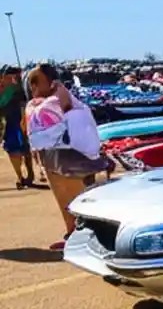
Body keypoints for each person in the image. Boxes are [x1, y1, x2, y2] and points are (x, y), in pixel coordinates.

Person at [23, 63, 113, 250]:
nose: (32, 89)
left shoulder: (59, 96)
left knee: (75, 199)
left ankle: (88, 237)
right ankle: (74, 234)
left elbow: (66, 114)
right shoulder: (45, 102)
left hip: (69, 158)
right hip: (59, 158)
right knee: (68, 200)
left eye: (35, 83)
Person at [1, 66, 35, 188]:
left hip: (23, 119)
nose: (14, 79)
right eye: (11, 76)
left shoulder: (20, 87)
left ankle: (30, 174)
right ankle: (20, 176)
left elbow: (28, 99)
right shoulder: (4, 89)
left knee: (26, 148)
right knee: (14, 149)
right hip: (11, 122)